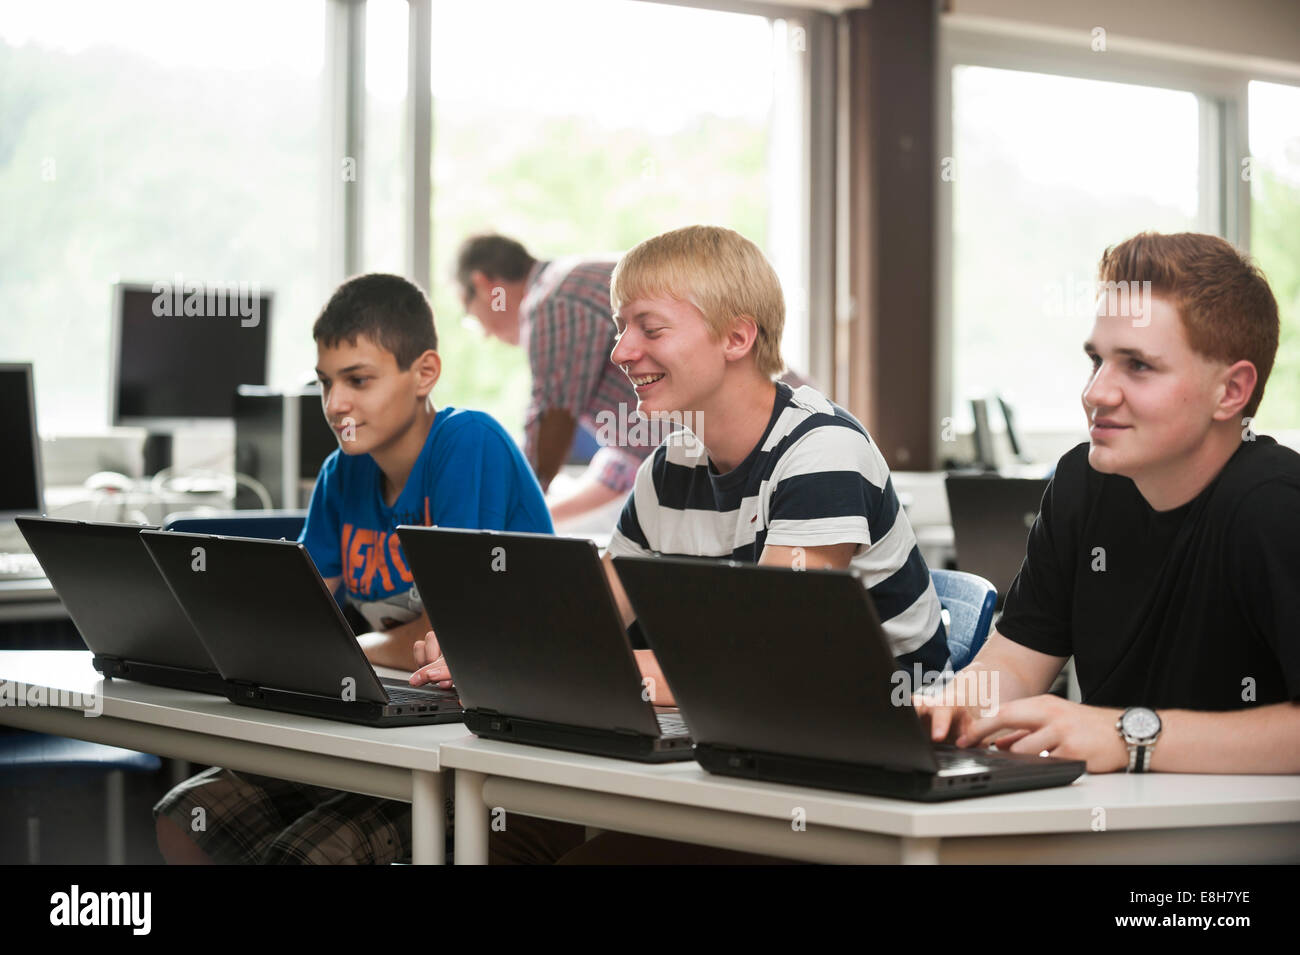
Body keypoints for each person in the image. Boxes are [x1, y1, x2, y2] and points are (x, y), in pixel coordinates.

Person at [415, 225, 948, 862]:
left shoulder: (823, 452)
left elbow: (768, 659)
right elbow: (590, 617)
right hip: (747, 752)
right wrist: (487, 648)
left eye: (649, 327)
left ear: (736, 337)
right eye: (620, 327)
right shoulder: (671, 466)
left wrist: (573, 665)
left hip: (863, 781)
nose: (620, 352)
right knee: (497, 839)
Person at [153, 273, 554, 864]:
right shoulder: (343, 473)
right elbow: (301, 614)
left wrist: (360, 647)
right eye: (326, 383)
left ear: (424, 373)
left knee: (300, 856)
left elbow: (463, 634)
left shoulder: (467, 444)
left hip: (480, 744)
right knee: (187, 820)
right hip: (384, 727)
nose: (336, 403)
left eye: (358, 381)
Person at [917, 231, 1300, 775]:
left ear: (1231, 391)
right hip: (1115, 821)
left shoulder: (1275, 507)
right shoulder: (1083, 480)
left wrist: (1130, 737)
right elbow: (1018, 658)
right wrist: (951, 707)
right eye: (1096, 360)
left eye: (1138, 366)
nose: (1097, 392)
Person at [455, 234, 649, 525]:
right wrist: (538, 514)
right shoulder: (569, 285)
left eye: (472, 317)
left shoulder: (553, 299)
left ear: (484, 286)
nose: (484, 334)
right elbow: (627, 464)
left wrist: (501, 513)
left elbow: (551, 421)